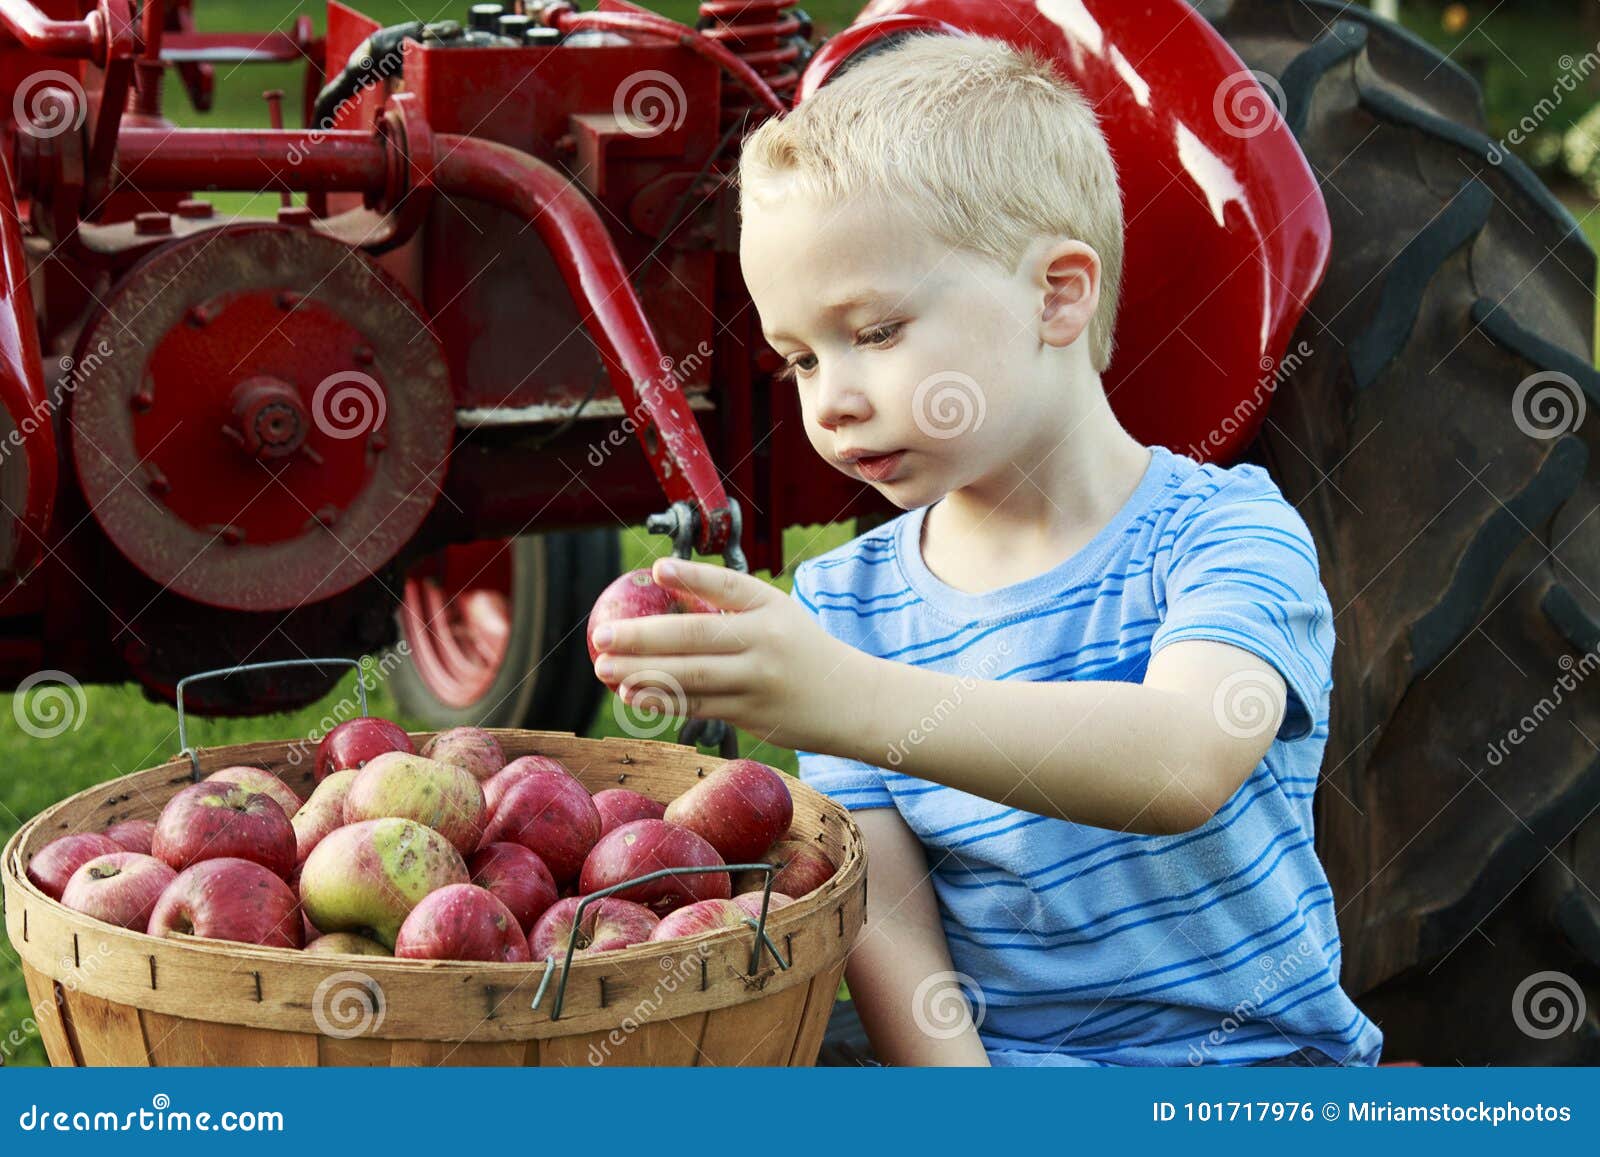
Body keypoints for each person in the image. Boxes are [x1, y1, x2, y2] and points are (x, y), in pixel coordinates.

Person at [587, 32, 1382, 1067]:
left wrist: (844, 697)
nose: (833, 399)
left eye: (873, 332)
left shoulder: (1223, 533)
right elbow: (894, 925)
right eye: (798, 358)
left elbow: (1182, 759)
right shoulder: (849, 606)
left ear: (1057, 294)